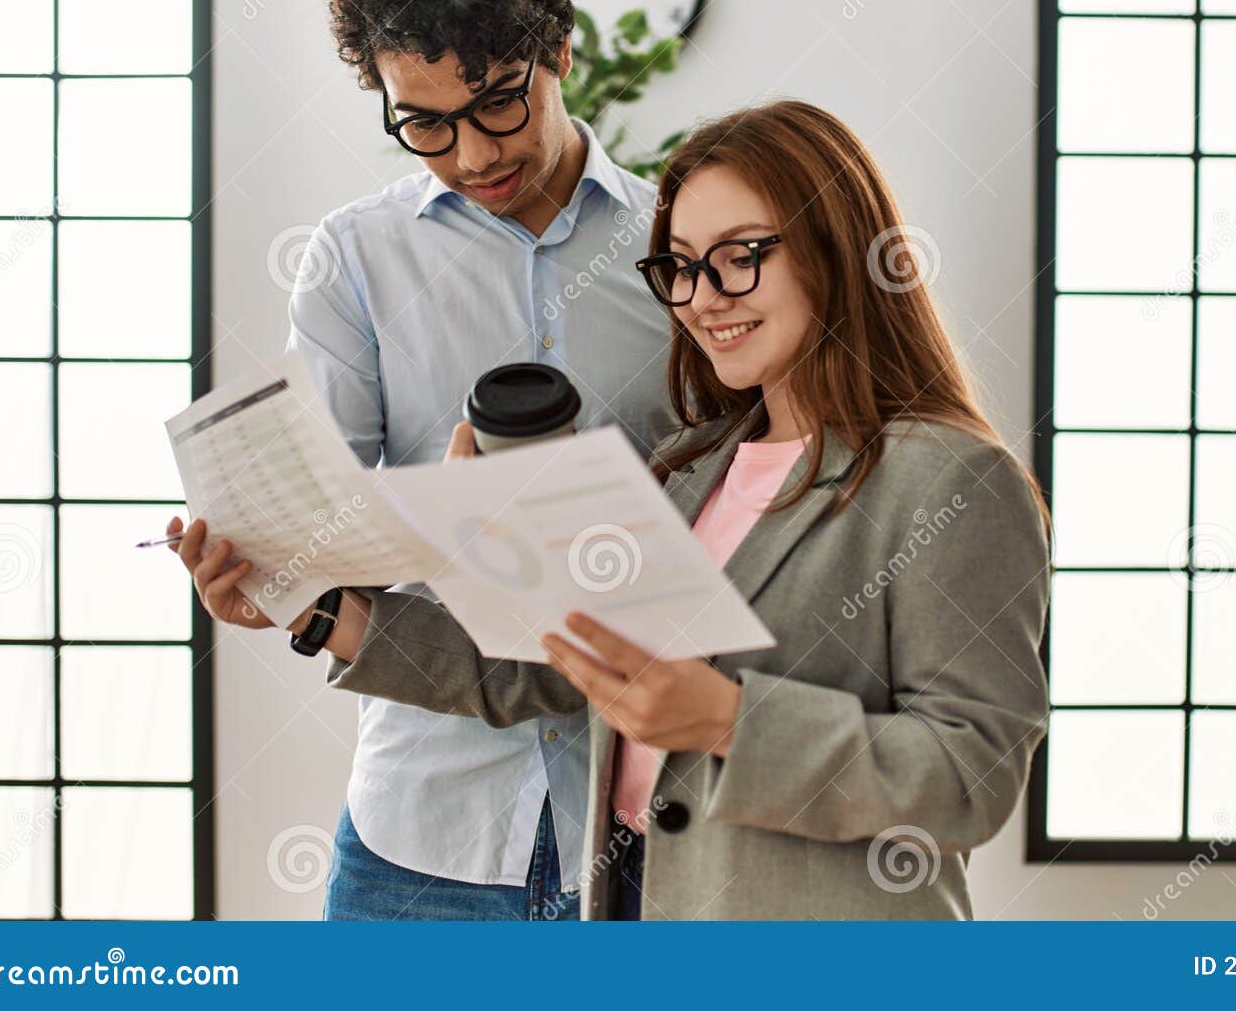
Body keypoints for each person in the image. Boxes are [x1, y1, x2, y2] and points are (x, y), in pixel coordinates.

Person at [177, 100, 1051, 919]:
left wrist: (724, 719)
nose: (705, 296)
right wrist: (318, 604)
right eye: (680, 267)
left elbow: (973, 771)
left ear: (834, 247)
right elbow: (562, 671)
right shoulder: (698, 466)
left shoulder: (951, 483)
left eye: (742, 254)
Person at [167, 0, 673, 920]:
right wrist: (270, 583)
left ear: (560, 47)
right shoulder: (354, 259)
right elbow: (320, 528)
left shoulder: (684, 248)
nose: (475, 152)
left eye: (498, 102)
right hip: (419, 835)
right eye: (426, 123)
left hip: (645, 827)